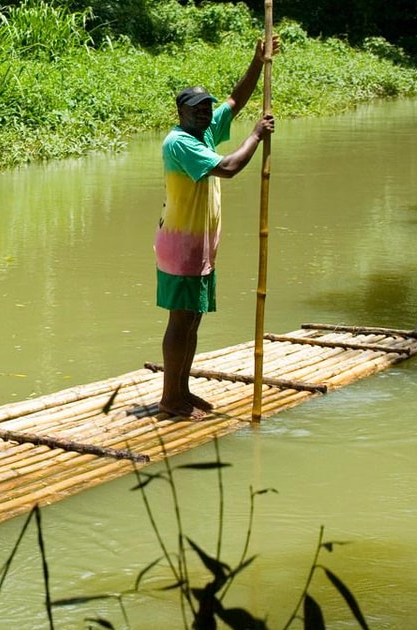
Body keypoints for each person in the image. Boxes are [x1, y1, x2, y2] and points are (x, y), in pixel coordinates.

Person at [156, 38, 278, 420]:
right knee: (181, 318)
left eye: (206, 107)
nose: (205, 113)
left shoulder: (203, 132)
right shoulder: (180, 142)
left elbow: (235, 100)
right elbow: (228, 167)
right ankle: (169, 399)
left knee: (192, 317)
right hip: (181, 245)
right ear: (181, 112)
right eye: (196, 109)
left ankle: (182, 390)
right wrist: (256, 135)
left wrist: (258, 62)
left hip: (199, 245)